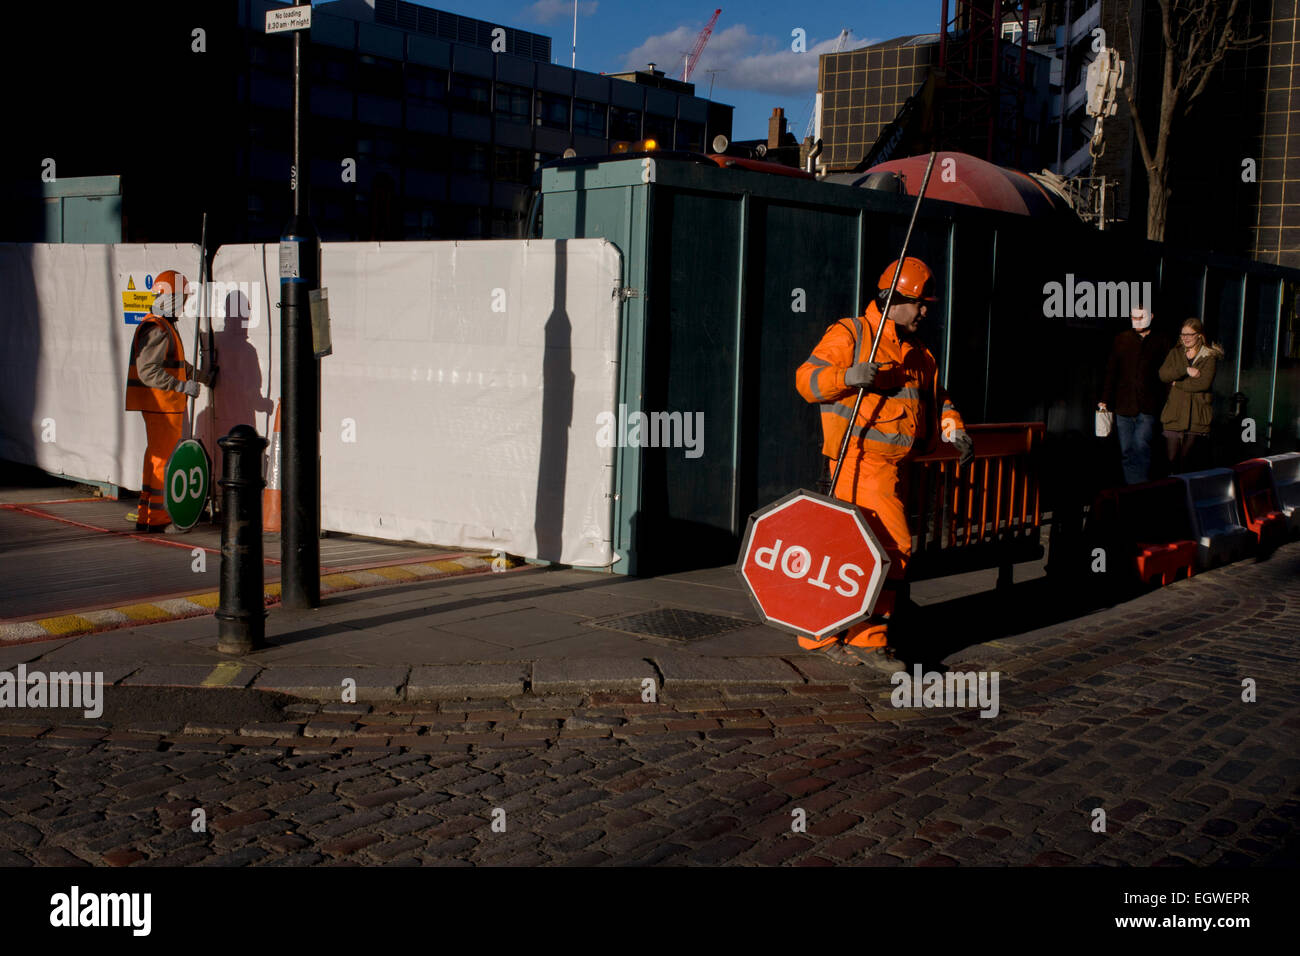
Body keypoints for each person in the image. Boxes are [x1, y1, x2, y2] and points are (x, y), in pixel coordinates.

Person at [795, 257, 973, 674]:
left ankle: (820, 635)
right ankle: (868, 641)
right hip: (858, 464)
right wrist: (849, 376)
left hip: (892, 470)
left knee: (845, 553)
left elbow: (937, 400)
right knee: (890, 550)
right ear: (897, 300)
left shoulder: (919, 355)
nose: (927, 311)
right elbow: (807, 380)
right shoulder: (853, 334)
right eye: (921, 303)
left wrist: (954, 429)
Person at [124, 270, 213, 532]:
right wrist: (181, 386)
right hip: (163, 405)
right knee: (164, 460)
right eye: (182, 298)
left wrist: (201, 376)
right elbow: (148, 370)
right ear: (171, 298)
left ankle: (148, 516)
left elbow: (175, 364)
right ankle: (161, 520)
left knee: (155, 459)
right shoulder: (159, 328)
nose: (185, 304)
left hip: (162, 406)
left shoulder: (162, 326)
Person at [1100, 306, 1168, 484]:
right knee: (1127, 451)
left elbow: (1167, 372)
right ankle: (1133, 490)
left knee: (1141, 447)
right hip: (1124, 404)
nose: (1136, 321)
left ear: (1151, 316)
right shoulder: (1122, 339)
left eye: (1141, 317)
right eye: (1133, 317)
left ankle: (1140, 490)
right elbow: (1111, 371)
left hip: (1148, 406)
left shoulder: (1161, 341)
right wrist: (1104, 400)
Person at [1158, 318, 1223, 473]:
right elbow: (1163, 375)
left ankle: (1187, 496)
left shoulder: (1209, 356)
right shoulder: (1175, 353)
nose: (1185, 338)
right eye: (1182, 334)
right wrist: (1185, 371)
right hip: (1174, 414)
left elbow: (1203, 384)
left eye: (1190, 334)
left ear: (1199, 335)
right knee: (1171, 462)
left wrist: (1177, 383)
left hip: (1197, 417)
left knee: (1187, 464)